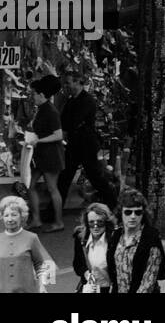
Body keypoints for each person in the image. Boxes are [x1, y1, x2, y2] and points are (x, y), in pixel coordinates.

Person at [57, 69, 118, 210]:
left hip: (86, 145)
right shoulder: (72, 100)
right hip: (74, 144)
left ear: (78, 82)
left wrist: (70, 125)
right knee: (65, 178)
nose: (67, 86)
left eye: (69, 83)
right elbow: (65, 121)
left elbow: (72, 122)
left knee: (95, 178)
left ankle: (114, 203)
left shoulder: (87, 100)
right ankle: (54, 211)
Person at [109, 189, 165, 294]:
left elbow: (149, 281)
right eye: (128, 212)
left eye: (138, 212)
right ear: (121, 213)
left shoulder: (151, 238)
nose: (133, 216)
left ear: (143, 214)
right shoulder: (116, 235)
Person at [26, 74, 65, 232]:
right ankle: (36, 219)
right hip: (41, 155)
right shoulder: (42, 109)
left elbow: (58, 135)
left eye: (34, 93)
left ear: (41, 94)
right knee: (30, 185)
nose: (33, 96)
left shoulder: (50, 110)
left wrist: (38, 140)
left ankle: (59, 222)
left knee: (52, 188)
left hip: (51, 155)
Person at [0, 196, 55, 293]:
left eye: (14, 215)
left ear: (22, 216)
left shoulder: (32, 237)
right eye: (6, 215)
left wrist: (42, 286)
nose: (10, 219)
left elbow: (41, 265)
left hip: (27, 290)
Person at [71, 202, 116, 292]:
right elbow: (78, 264)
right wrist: (86, 274)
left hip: (110, 288)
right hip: (90, 288)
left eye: (100, 222)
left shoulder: (114, 240)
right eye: (91, 222)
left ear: (106, 222)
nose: (95, 227)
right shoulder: (81, 239)